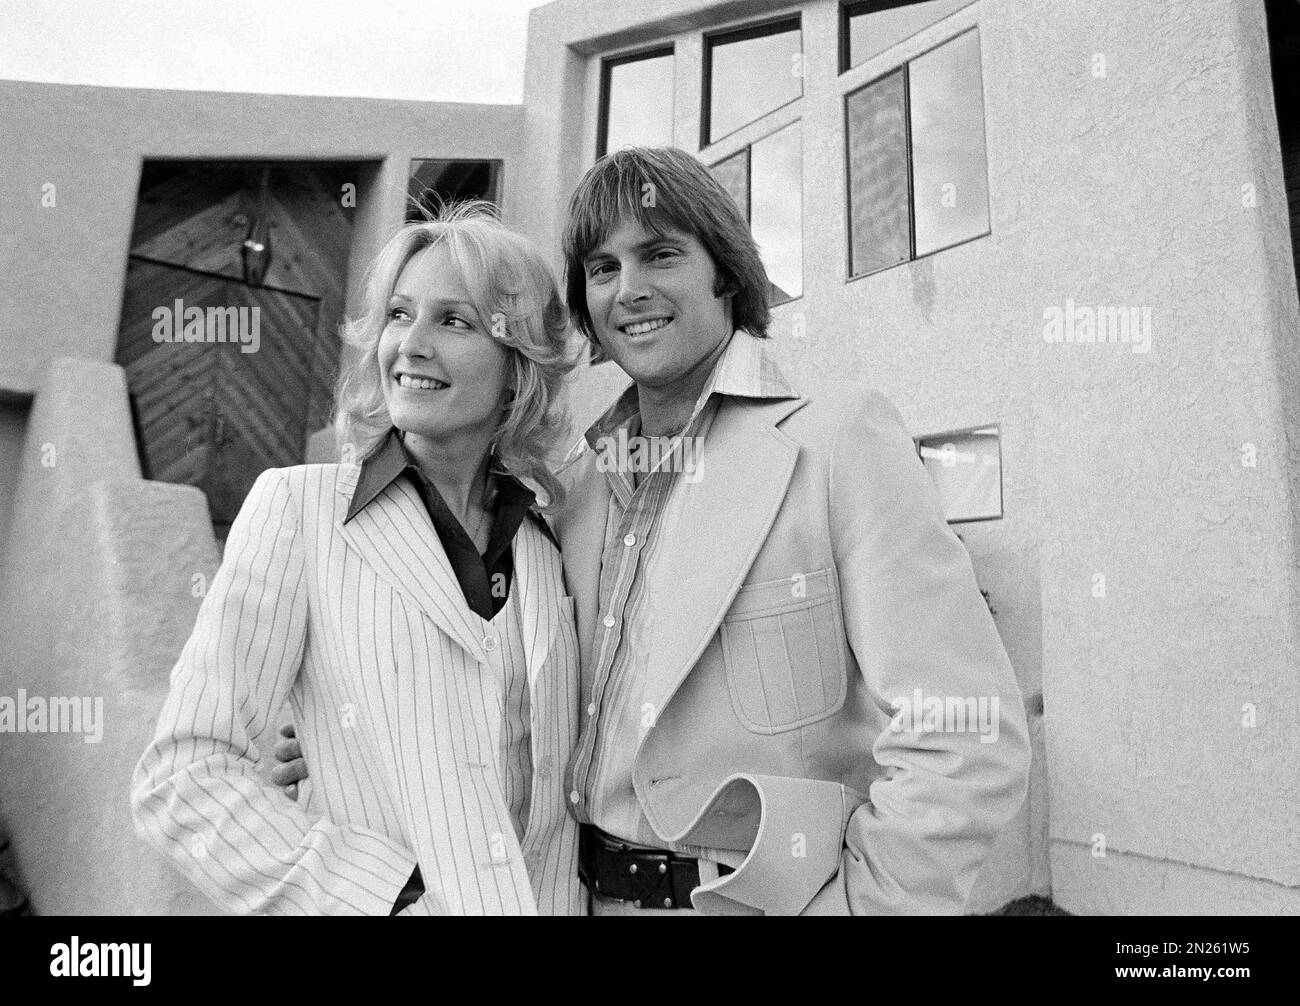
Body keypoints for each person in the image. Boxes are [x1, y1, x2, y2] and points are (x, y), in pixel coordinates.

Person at [278, 147, 1033, 916]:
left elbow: (965, 739)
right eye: (602, 269)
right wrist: (350, 729)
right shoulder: (566, 486)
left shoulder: (837, 443)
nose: (629, 289)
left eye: (660, 254)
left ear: (727, 273)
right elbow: (512, 707)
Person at [131, 202, 585, 915]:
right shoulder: (299, 511)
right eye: (400, 315)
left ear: (519, 363)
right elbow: (184, 775)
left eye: (454, 321)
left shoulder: (547, 540)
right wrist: (387, 899)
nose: (412, 344)